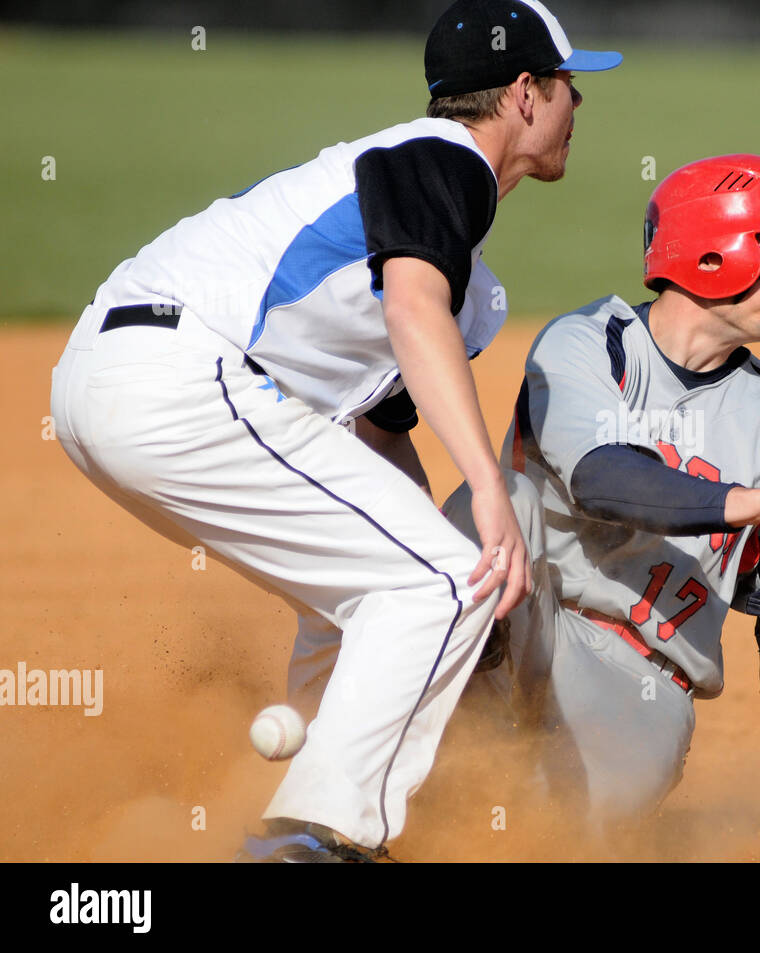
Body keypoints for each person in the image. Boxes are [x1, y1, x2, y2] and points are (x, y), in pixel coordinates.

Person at [47, 0, 620, 862]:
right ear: (524, 94)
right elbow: (414, 305)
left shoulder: (428, 218)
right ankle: (316, 837)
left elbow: (381, 435)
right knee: (439, 585)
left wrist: (435, 542)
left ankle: (325, 777)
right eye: (572, 84)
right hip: (182, 378)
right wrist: (489, 500)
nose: (583, 103)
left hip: (115, 381)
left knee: (390, 588)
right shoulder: (444, 159)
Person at [439, 154, 760, 829]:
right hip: (533, 621)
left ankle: (492, 790)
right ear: (711, 253)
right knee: (497, 500)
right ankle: (433, 739)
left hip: (640, 689)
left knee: (548, 833)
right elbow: (602, 475)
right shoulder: (590, 345)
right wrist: (758, 501)